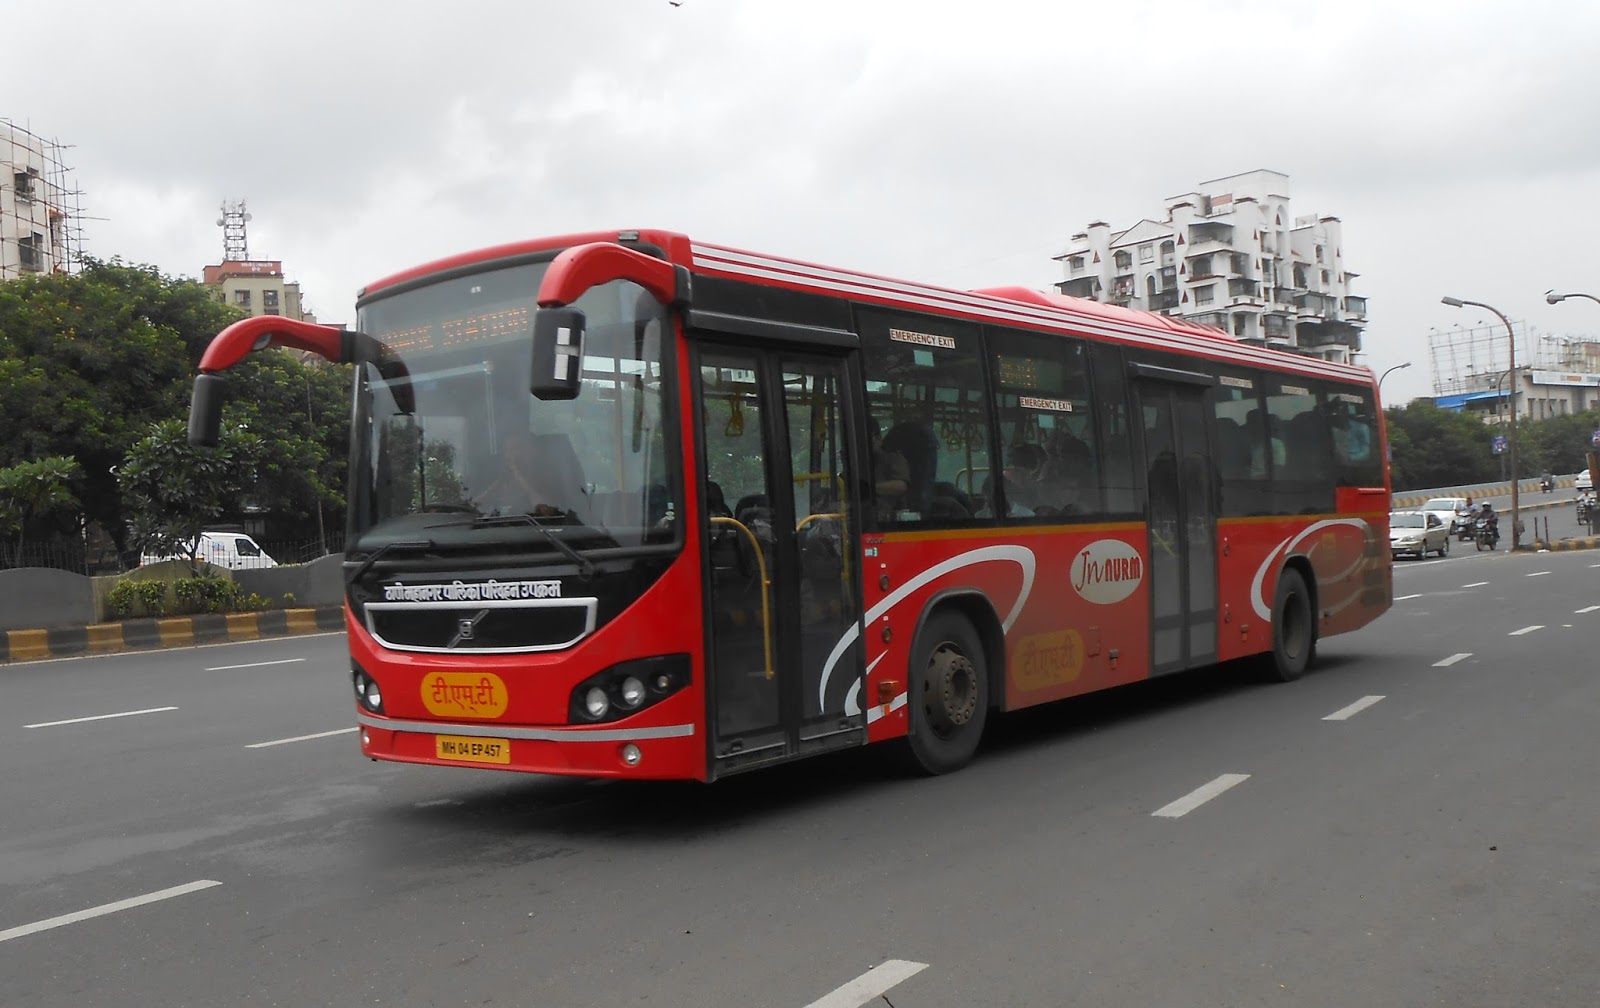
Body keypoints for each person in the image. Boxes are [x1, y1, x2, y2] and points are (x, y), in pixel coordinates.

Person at [474, 430, 562, 517]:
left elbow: (547, 513)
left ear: (533, 451)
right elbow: (474, 507)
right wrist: (494, 488)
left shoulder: (548, 476)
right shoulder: (505, 477)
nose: (509, 455)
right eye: (507, 450)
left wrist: (520, 475)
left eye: (516, 448)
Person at [867, 416, 910, 520]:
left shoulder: (892, 457)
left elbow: (901, 486)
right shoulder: (857, 463)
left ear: (878, 439)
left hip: (890, 518)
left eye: (868, 440)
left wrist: (870, 488)